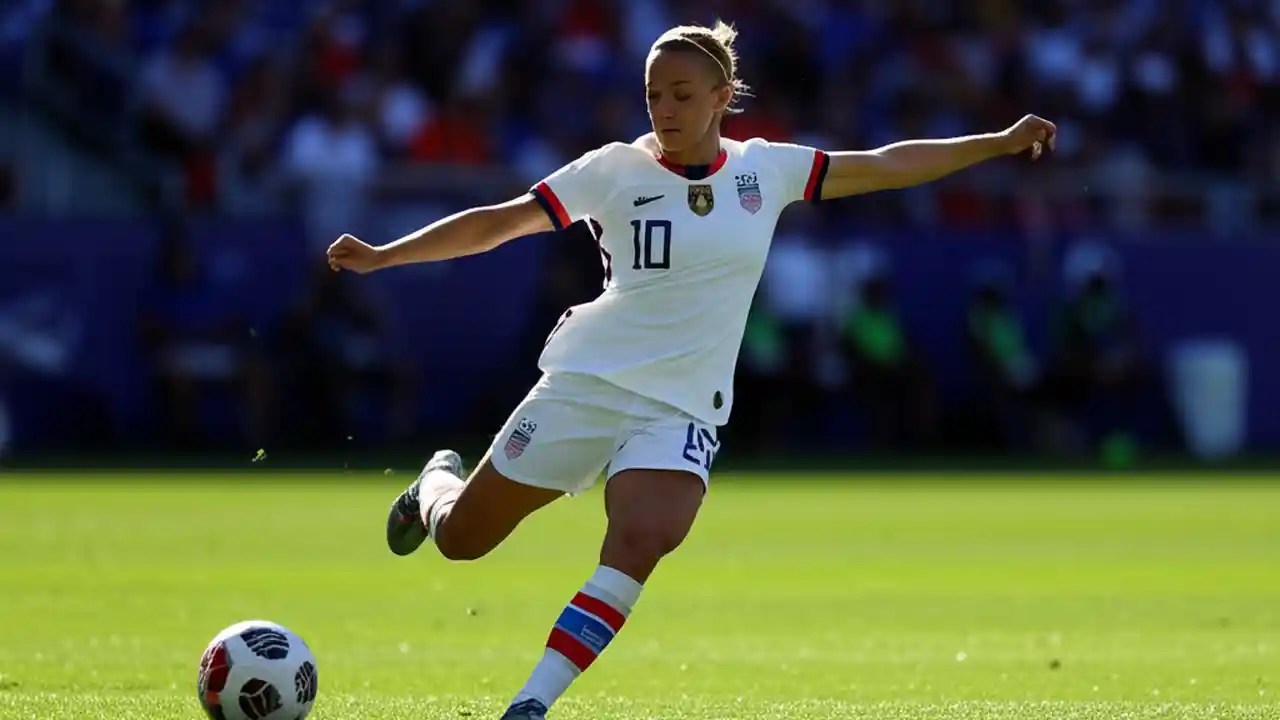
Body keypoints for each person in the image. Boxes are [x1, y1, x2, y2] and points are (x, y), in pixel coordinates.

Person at [326, 21, 1056, 720]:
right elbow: (498, 222)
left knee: (645, 537)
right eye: (653, 94)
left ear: (720, 97)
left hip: (681, 406)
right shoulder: (613, 170)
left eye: (681, 94)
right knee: (461, 541)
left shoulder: (764, 170)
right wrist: (388, 254)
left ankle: (531, 702)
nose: (665, 109)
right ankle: (434, 485)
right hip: (588, 384)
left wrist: (995, 142)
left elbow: (890, 165)